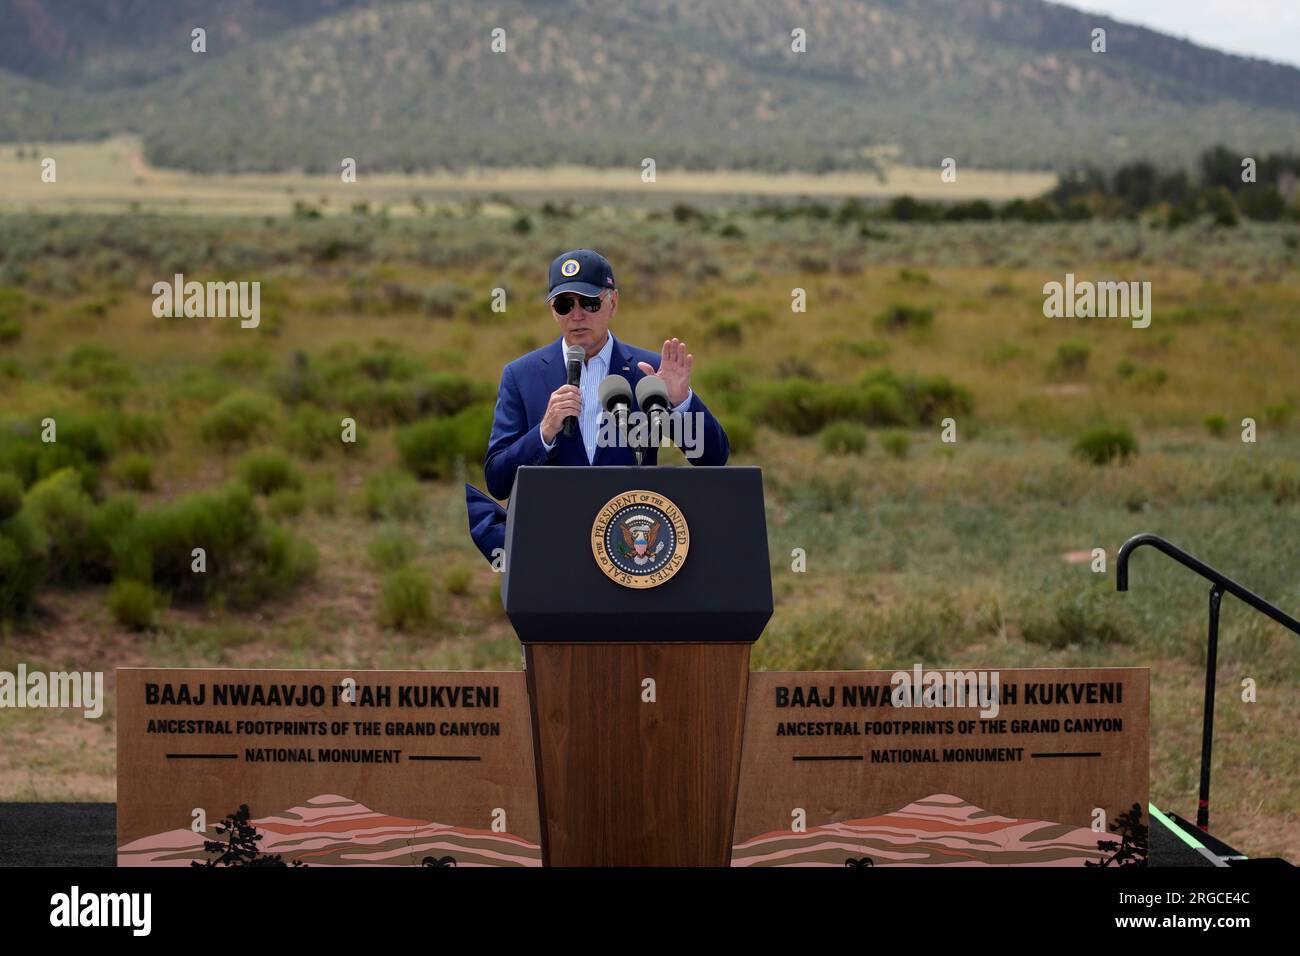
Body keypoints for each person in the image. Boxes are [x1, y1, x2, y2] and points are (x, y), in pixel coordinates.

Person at [466, 248, 729, 561]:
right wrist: (544, 432)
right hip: (551, 552)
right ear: (553, 310)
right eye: (565, 304)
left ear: (613, 302)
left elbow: (714, 458)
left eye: (590, 303)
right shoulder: (521, 376)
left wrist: (680, 402)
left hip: (630, 552)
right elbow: (498, 481)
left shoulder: (650, 370)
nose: (577, 315)